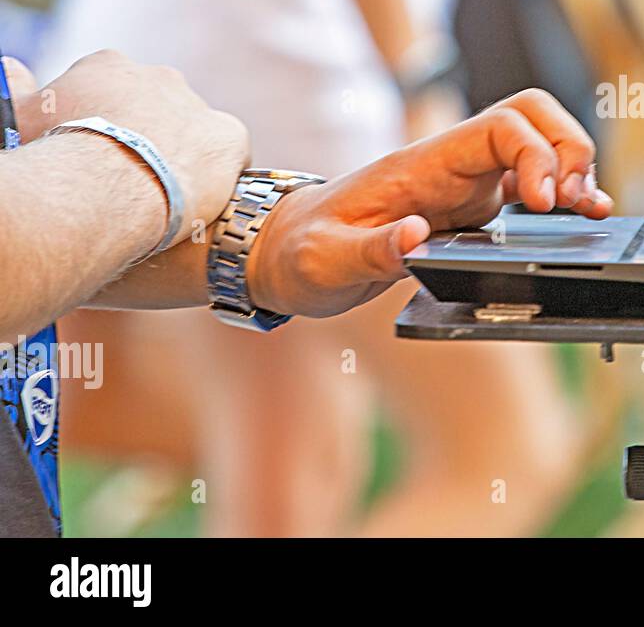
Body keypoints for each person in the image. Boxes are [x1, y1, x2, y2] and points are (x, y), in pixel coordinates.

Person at [37, 0, 601, 535]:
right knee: (502, 449)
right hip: (293, 34)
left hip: (169, 11)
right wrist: (414, 67)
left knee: (285, 470)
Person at [0, 49, 611, 537]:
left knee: (287, 484)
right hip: (290, 91)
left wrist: (265, 238)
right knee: (495, 455)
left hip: (214, 115)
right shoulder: (144, 146)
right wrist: (127, 156)